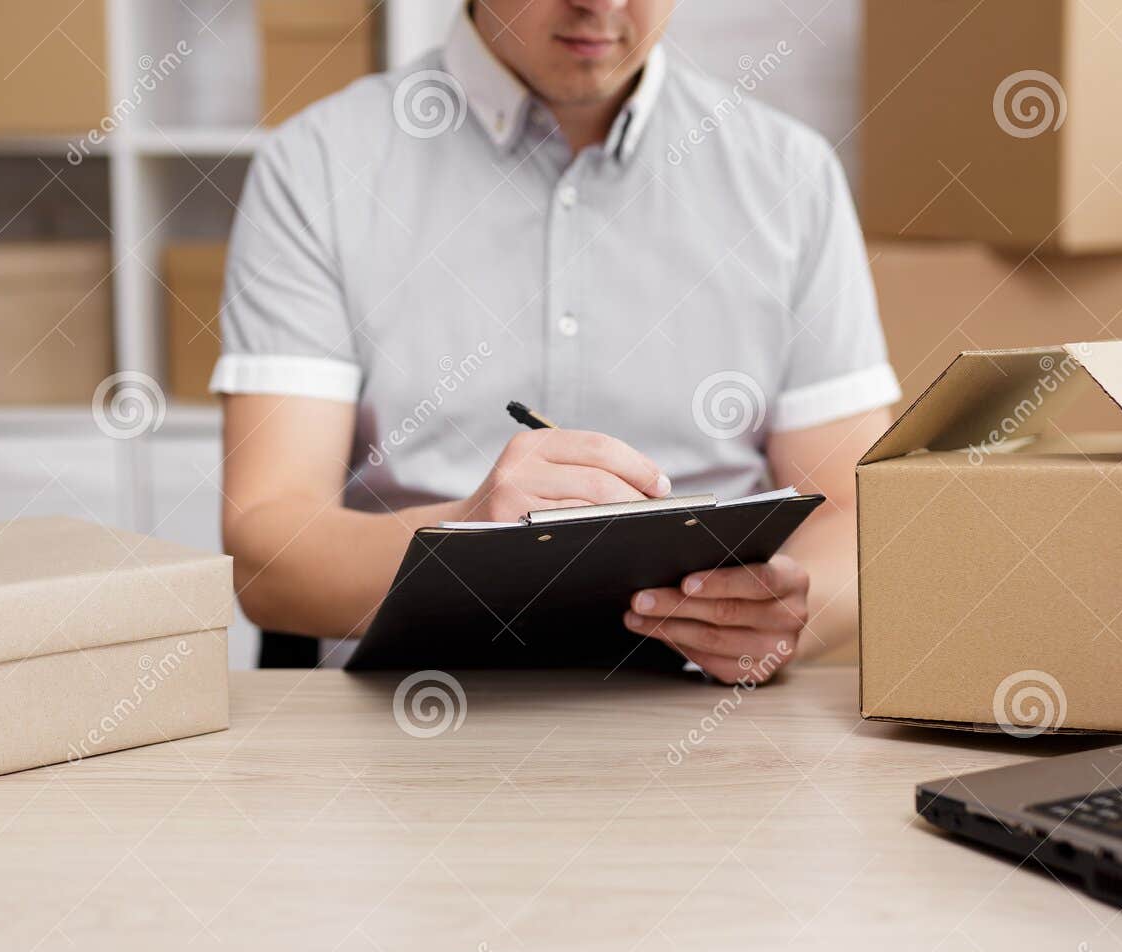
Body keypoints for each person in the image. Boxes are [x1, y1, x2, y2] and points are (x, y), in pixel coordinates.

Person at [215, 0, 897, 685]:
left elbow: (860, 517)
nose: (600, 4)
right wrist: (462, 541)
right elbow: (268, 557)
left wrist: (787, 612)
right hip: (411, 722)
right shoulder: (318, 166)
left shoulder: (790, 176)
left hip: (705, 718)